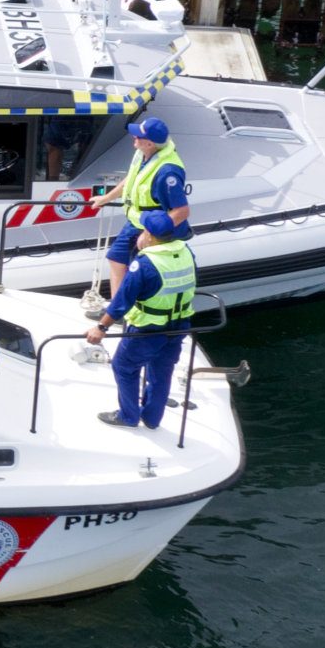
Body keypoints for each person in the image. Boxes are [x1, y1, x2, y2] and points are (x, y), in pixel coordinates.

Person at [85, 209, 195, 430]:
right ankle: (153, 418)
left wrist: (100, 327)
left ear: (149, 235)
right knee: (161, 373)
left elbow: (122, 301)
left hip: (148, 328)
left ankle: (128, 416)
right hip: (179, 326)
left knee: (123, 366)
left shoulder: (145, 263)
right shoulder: (186, 251)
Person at [89, 116, 191, 300]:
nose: (133, 138)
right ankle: (118, 309)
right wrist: (106, 198)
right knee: (116, 258)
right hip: (135, 222)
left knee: (144, 269)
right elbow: (132, 178)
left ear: (150, 143)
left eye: (137, 136)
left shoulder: (167, 171)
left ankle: (128, 309)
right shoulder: (143, 154)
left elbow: (182, 212)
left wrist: (150, 231)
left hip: (153, 226)